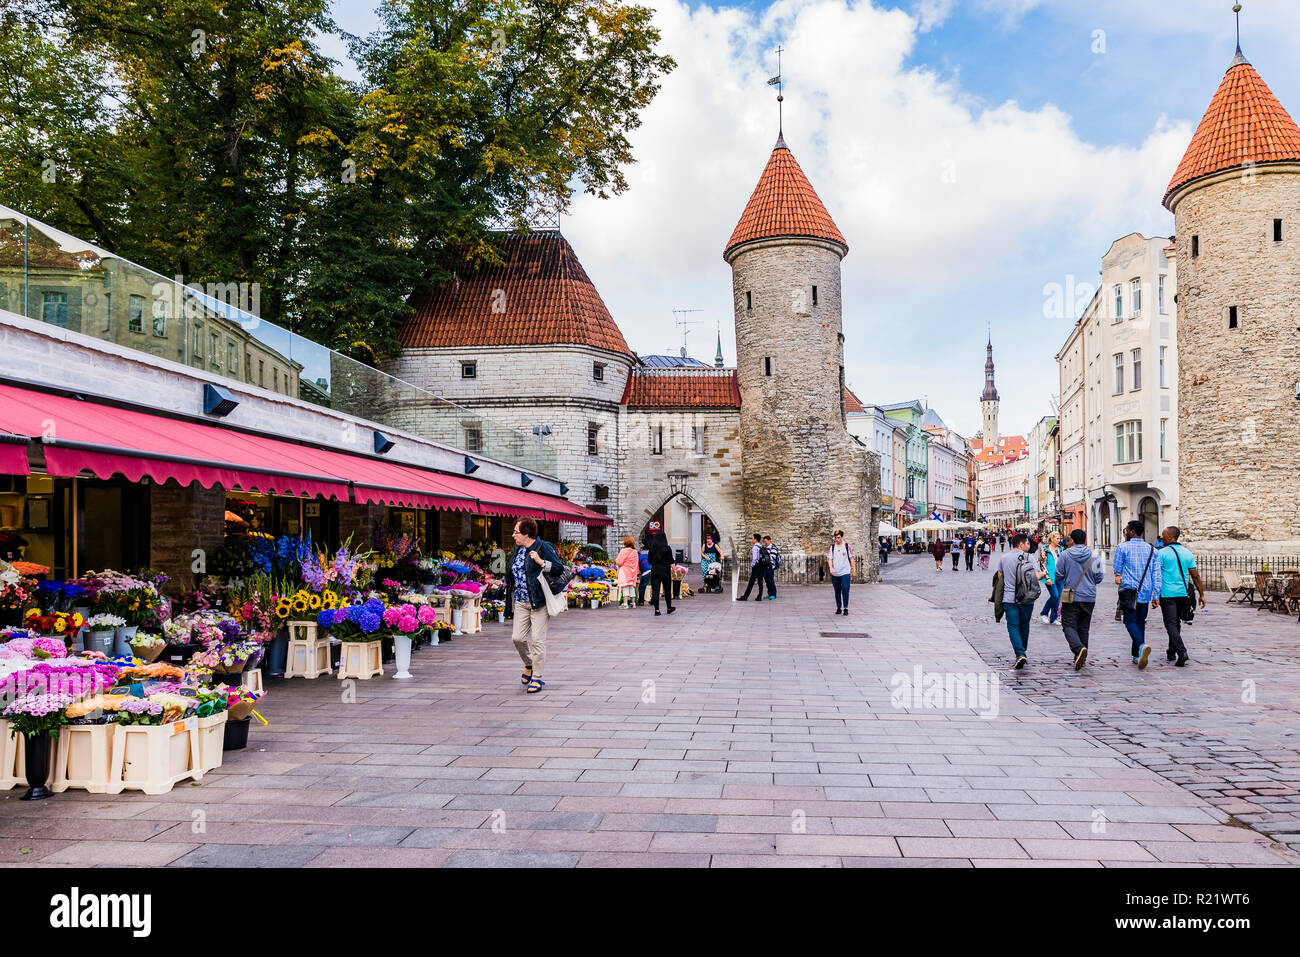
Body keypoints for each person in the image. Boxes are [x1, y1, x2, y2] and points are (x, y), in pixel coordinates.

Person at [509, 517, 565, 693]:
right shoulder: (518, 550)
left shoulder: (543, 547)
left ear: (527, 534)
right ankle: (529, 664)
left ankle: (537, 678)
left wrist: (541, 562)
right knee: (517, 638)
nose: (513, 535)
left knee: (537, 641)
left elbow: (559, 568)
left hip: (538, 602)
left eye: (516, 532)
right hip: (520, 601)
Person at [1113, 519, 1162, 670]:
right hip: (1146, 591)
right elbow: (1157, 574)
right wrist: (1156, 596)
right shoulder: (1152, 549)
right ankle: (1137, 655)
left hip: (1130, 590)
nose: (1126, 532)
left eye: (1127, 530)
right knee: (1141, 621)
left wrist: (1118, 574)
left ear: (1132, 532)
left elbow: (1117, 567)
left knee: (1129, 621)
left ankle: (1141, 646)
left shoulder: (1123, 547)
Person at [1156, 526, 1205, 667]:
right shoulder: (1187, 553)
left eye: (1164, 536)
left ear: (1171, 537)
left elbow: (1156, 574)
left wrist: (1153, 593)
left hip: (1167, 593)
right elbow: (1195, 576)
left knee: (1170, 624)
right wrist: (1202, 595)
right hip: (1183, 593)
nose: (1161, 538)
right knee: (1176, 623)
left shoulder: (1162, 553)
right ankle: (1171, 651)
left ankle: (1182, 651)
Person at [1055, 529, 1104, 670]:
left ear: (1072, 540)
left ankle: (1078, 649)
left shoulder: (1065, 555)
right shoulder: (1094, 555)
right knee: (1084, 627)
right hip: (1089, 596)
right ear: (1085, 539)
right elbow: (1099, 578)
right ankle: (1081, 657)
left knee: (1068, 625)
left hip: (1071, 596)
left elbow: (1058, 574)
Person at [995, 532, 1044, 669]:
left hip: (1009, 598)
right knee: (1024, 625)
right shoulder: (1029, 557)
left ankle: (1019, 653)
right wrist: (1044, 573)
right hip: (1026, 598)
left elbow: (1000, 576)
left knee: (1012, 626)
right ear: (1021, 544)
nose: (1029, 545)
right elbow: (1037, 576)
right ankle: (1023, 651)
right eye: (1027, 543)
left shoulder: (1004, 558)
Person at [646, 521, 676, 616]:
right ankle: (669, 608)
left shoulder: (652, 548)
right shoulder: (667, 548)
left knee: (656, 590)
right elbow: (671, 561)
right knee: (667, 590)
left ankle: (657, 610)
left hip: (655, 571)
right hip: (665, 571)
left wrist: (654, 565)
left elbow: (649, 560)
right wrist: (674, 571)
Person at [1038, 532, 1063, 625]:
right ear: (1052, 539)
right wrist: (1047, 577)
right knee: (1055, 595)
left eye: (1059, 538)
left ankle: (1054, 617)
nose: (1059, 540)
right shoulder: (1045, 549)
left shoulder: (1061, 549)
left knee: (1058, 597)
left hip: (1060, 576)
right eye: (1057, 538)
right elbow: (1043, 564)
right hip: (1049, 576)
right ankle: (1044, 613)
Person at [827, 530, 853, 615]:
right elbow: (830, 559)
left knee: (845, 589)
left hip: (845, 571)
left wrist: (854, 570)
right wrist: (831, 568)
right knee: (837, 590)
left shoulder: (846, 546)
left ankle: (845, 607)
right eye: (835, 538)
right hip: (835, 572)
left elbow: (851, 558)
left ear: (841, 537)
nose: (837, 539)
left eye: (838, 537)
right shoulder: (832, 547)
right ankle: (838, 607)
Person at [739, 533, 767, 600]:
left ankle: (745, 596)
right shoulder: (761, 546)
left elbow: (755, 558)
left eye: (752, 538)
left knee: (751, 582)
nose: (752, 540)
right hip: (762, 566)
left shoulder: (755, 547)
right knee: (760, 582)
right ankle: (759, 596)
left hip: (757, 566)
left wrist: (753, 565)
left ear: (755, 539)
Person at [615, 536, 639, 608]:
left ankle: (625, 604)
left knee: (625, 586)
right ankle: (633, 603)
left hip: (625, 571)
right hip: (633, 572)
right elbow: (636, 563)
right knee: (631, 587)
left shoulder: (623, 551)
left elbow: (619, 562)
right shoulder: (635, 552)